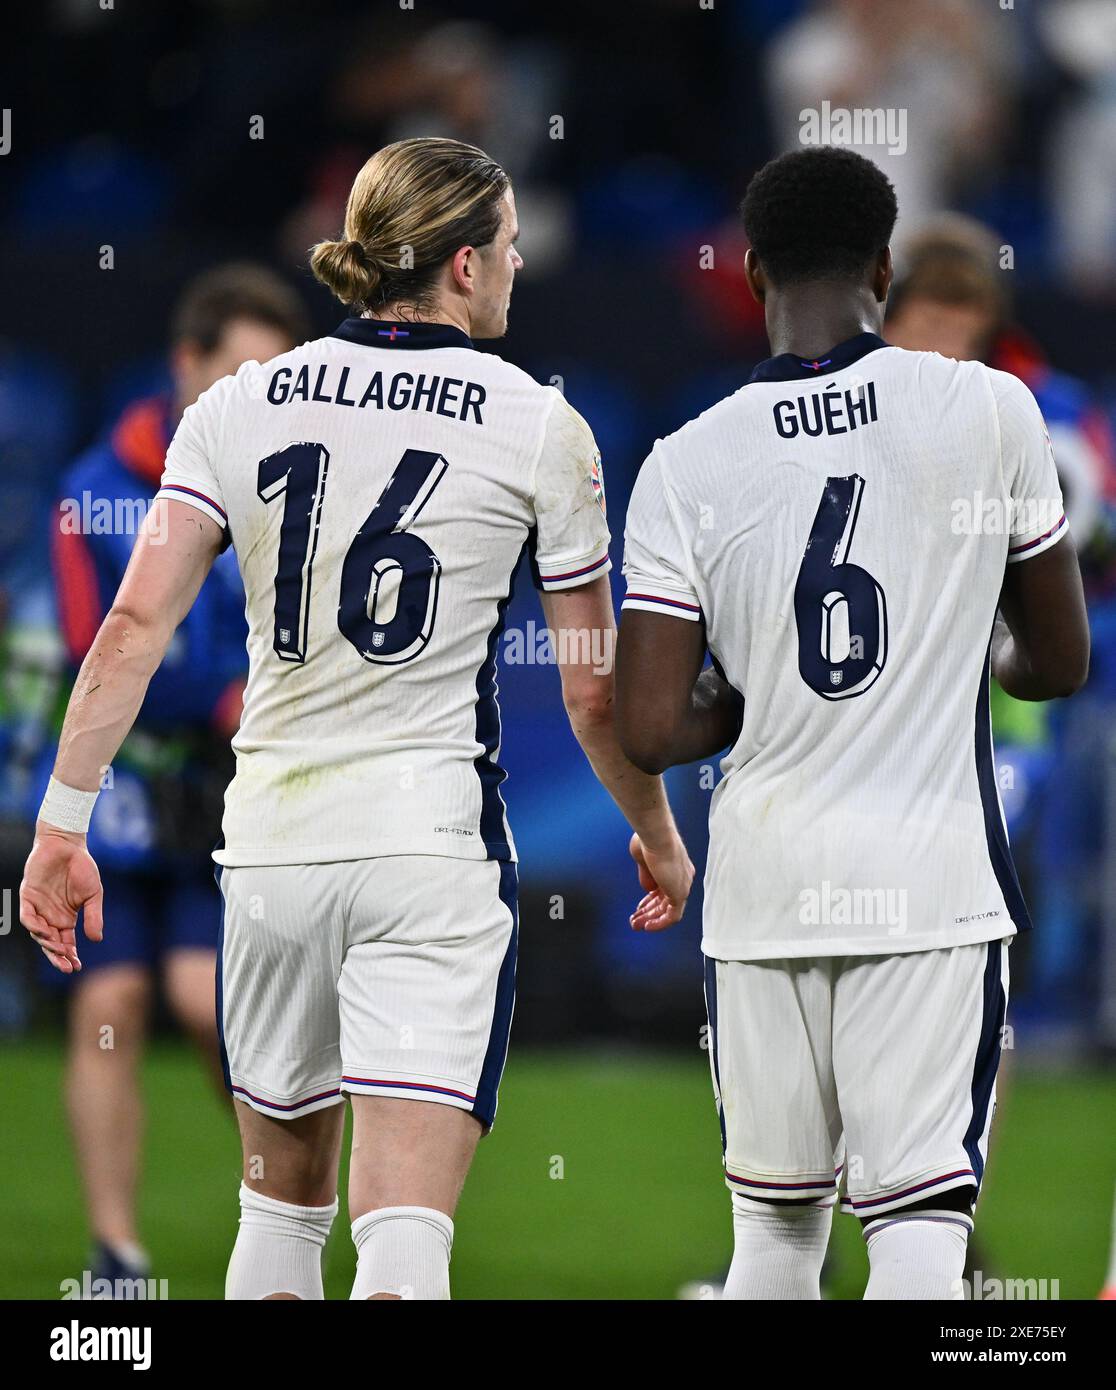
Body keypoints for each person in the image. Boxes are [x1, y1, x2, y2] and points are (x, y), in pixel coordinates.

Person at [20, 137, 693, 1301]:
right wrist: (658, 826)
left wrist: (59, 824)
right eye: (515, 245)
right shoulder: (542, 425)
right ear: (468, 267)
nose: (524, 266)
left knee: (277, 1216)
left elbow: (128, 630)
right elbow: (590, 684)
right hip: (428, 851)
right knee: (401, 1236)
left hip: (271, 852)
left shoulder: (241, 400)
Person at [615, 146, 1089, 1300]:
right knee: (920, 1229)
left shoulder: (686, 461)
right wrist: (952, 633)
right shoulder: (991, 409)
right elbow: (1058, 662)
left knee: (774, 1241)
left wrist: (752, 689)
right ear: (886, 264)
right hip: (929, 883)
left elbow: (647, 723)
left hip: (767, 885)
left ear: (756, 270)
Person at [44, 263, 307, 1289]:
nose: (258, 396)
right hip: (118, 789)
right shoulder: (96, 491)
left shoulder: (289, 484)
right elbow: (88, 648)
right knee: (106, 1000)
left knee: (208, 1005)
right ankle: (116, 1250)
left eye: (277, 376)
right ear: (185, 365)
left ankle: (278, 1208)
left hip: (230, 797)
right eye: (240, 372)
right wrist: (222, 698)